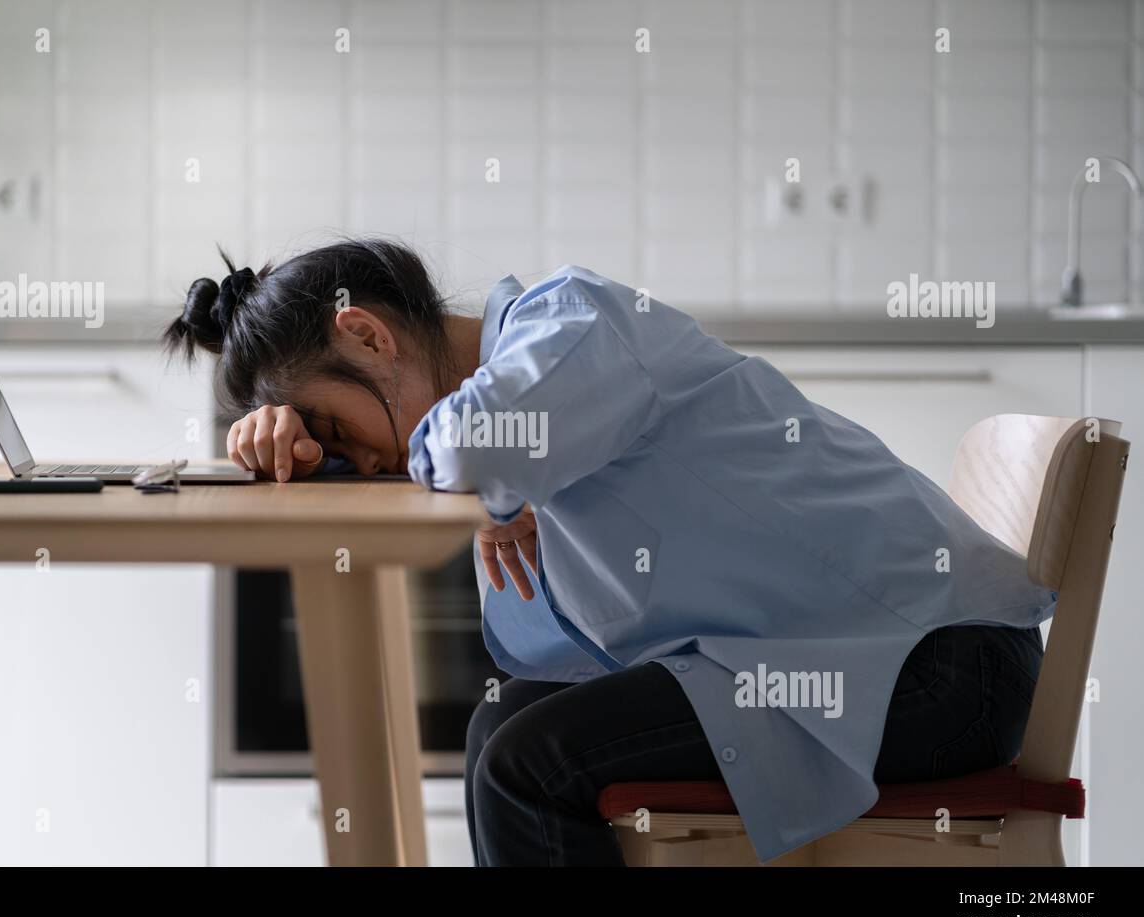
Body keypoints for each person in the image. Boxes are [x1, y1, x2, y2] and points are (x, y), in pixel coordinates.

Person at [164, 237, 1054, 866]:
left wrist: (472, 471)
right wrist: (311, 459)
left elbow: (479, 450)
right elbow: (539, 638)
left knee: (530, 763)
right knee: (500, 725)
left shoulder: (572, 321)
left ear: (366, 335)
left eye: (338, 428)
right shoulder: (498, 414)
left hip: (944, 671)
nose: (371, 464)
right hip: (864, 662)